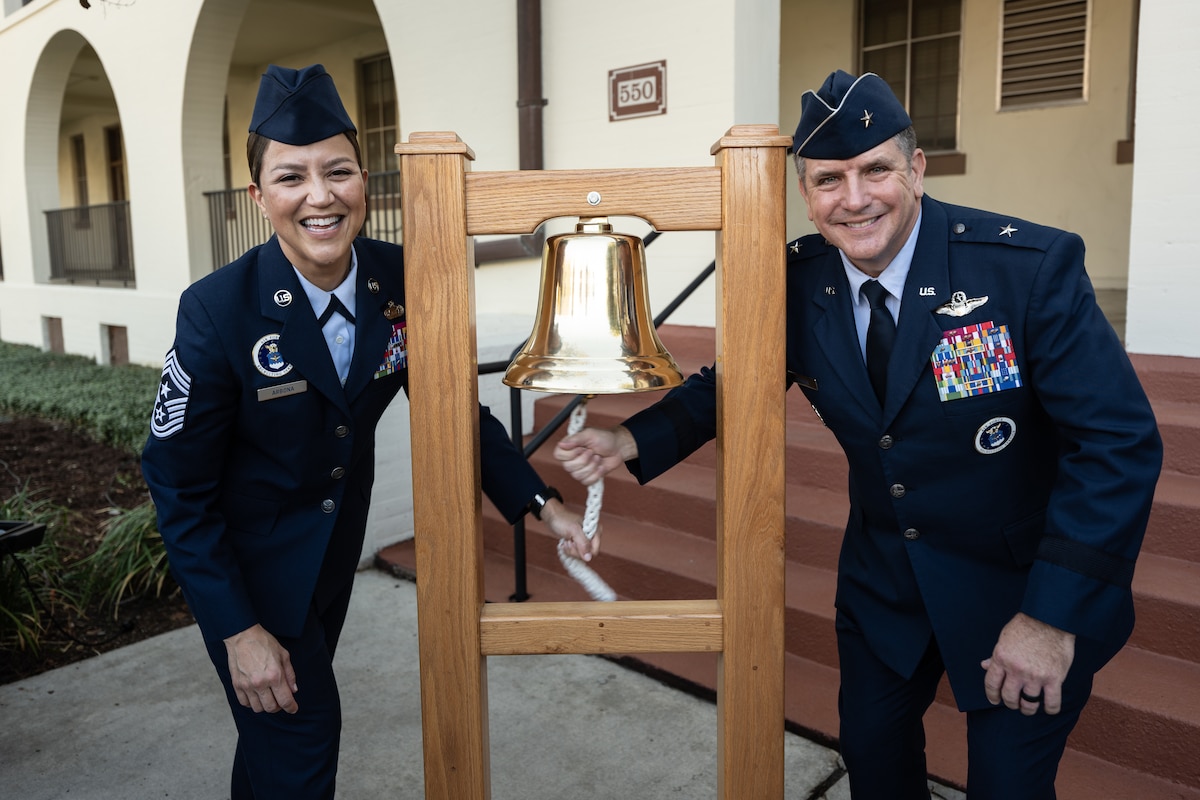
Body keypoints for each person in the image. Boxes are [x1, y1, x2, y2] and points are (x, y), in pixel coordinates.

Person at [554, 69, 1162, 799]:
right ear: (805, 194)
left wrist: (1050, 617)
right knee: (874, 766)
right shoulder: (801, 280)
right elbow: (737, 383)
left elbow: (1117, 445)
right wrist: (628, 442)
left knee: (1007, 788)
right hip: (886, 585)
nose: (854, 198)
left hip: (1020, 584)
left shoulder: (1023, 270)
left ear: (916, 169)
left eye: (875, 170)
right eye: (828, 180)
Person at [141, 63, 596, 800]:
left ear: (365, 184)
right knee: (302, 739)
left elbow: (455, 413)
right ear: (260, 198)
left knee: (271, 751)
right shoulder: (217, 311)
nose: (319, 197)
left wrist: (545, 505)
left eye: (338, 172)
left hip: (329, 559)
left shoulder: (404, 279)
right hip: (250, 576)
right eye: (291, 177)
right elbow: (176, 483)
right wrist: (237, 631)